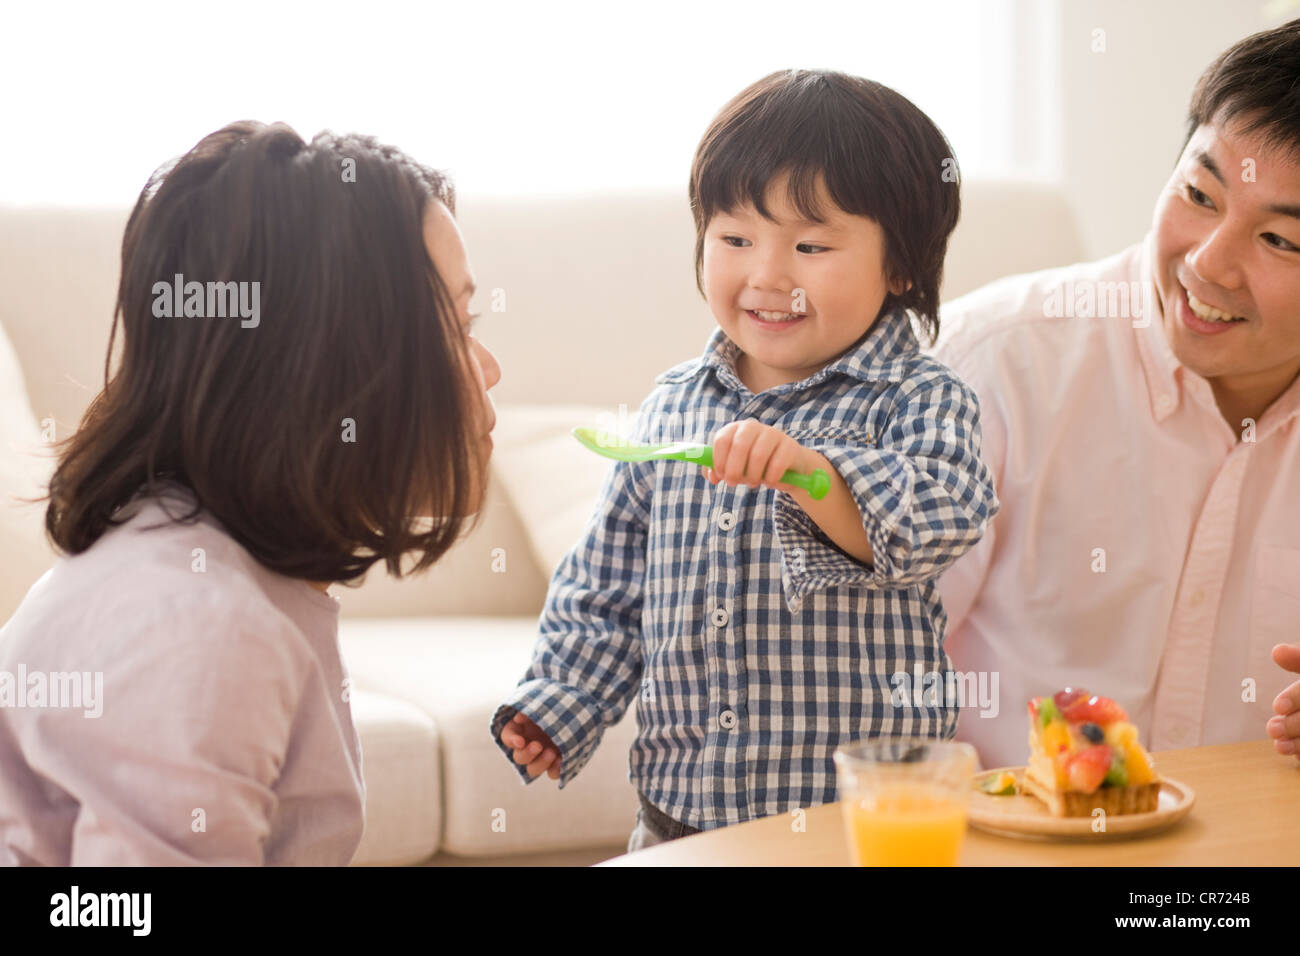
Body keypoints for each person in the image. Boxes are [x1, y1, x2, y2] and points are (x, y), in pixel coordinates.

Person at [490, 69, 998, 851]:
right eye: (734, 239)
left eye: (811, 245)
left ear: (901, 267)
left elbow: (939, 518)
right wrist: (559, 703)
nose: (767, 275)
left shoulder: (917, 399)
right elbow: (608, 582)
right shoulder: (674, 404)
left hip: (851, 818)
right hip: (677, 813)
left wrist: (811, 473)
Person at [0, 121, 501, 865]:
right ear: (332, 364)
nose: (487, 368)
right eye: (453, 328)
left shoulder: (223, 579)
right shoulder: (199, 627)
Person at [932, 19, 1300, 771]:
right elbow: (856, 686)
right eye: (1200, 193)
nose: (1208, 264)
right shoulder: (994, 366)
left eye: (1281, 241)